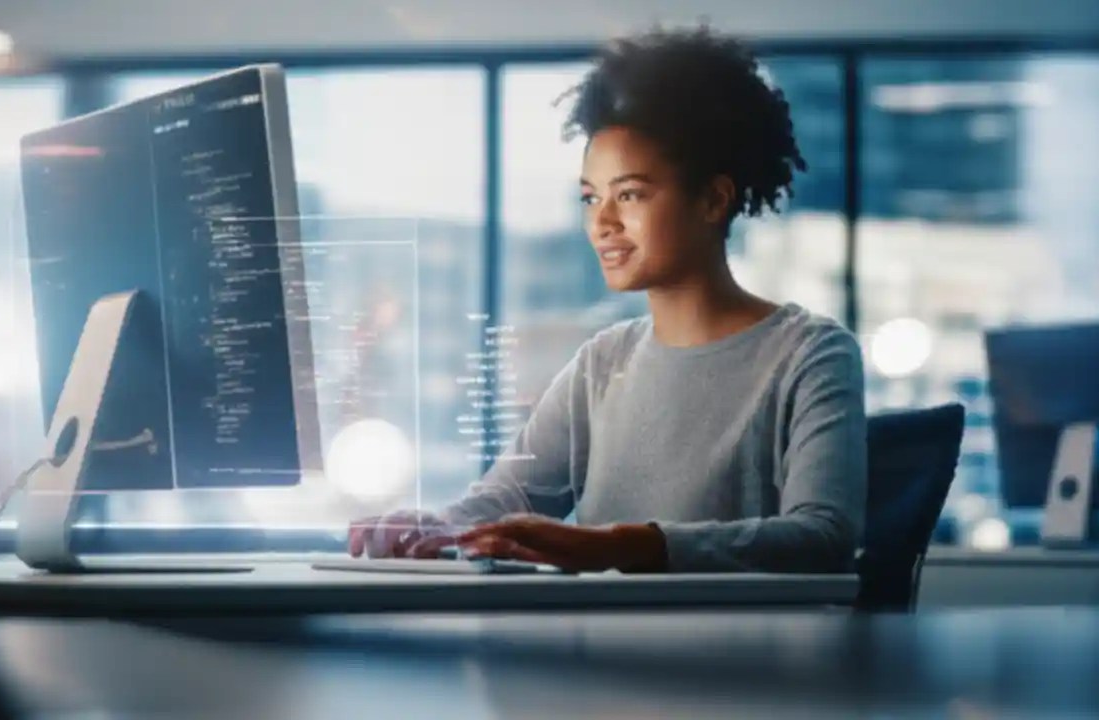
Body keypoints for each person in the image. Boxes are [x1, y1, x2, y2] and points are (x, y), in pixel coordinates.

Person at [349, 27, 867, 573]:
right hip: (588, 643)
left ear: (714, 199)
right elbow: (507, 500)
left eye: (630, 194)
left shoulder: (809, 355)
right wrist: (434, 527)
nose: (602, 222)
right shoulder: (603, 362)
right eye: (590, 197)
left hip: (734, 651)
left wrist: (619, 546)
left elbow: (823, 536)